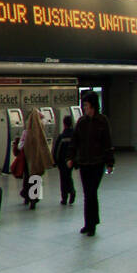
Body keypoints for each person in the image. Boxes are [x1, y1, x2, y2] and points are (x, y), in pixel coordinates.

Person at [70, 91, 114, 236]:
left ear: (93, 106)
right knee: (88, 194)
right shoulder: (81, 122)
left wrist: (109, 162)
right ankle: (89, 223)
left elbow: (107, 142)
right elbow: (75, 141)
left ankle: (92, 224)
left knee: (91, 193)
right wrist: (71, 157)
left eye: (87, 105)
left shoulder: (102, 121)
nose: (85, 108)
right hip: (84, 163)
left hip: (97, 163)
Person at [12, 108, 54, 210]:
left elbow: (20, 146)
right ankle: (34, 198)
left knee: (27, 177)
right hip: (38, 159)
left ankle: (27, 197)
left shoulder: (26, 132)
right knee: (36, 178)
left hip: (27, 159)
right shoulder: (41, 131)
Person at [53, 115, 77, 206]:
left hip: (62, 161)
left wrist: (55, 160)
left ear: (64, 124)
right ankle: (71, 191)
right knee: (68, 176)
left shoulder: (62, 136)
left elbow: (57, 150)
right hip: (71, 160)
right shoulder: (74, 135)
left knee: (63, 178)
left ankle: (65, 197)